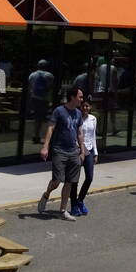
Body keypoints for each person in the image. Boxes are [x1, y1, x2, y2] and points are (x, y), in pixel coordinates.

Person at [39, 86, 85, 219]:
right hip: (59, 150)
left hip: (73, 152)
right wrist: (45, 147)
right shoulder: (59, 111)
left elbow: (80, 133)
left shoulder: (78, 113)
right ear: (72, 97)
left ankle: (63, 210)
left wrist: (82, 151)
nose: (82, 99)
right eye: (80, 97)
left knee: (70, 181)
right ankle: (47, 194)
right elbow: (50, 129)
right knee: (57, 180)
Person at [72, 95, 98, 215]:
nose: (85, 108)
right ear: (80, 107)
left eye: (87, 106)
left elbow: (93, 137)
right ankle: (73, 205)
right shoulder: (76, 118)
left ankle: (80, 200)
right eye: (83, 106)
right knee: (74, 180)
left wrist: (95, 153)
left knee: (89, 177)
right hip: (78, 150)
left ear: (90, 107)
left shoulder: (93, 119)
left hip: (89, 150)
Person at [27, 60, 55, 143]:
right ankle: (37, 135)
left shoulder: (32, 75)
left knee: (36, 117)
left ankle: (35, 134)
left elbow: (29, 87)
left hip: (34, 97)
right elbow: (51, 88)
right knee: (41, 118)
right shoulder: (49, 75)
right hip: (44, 98)